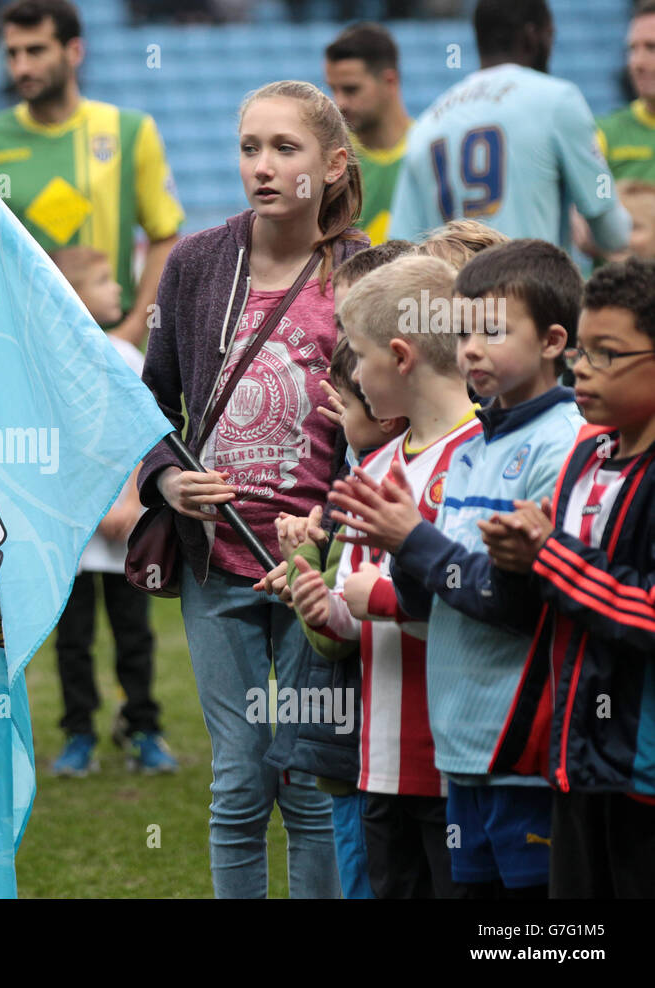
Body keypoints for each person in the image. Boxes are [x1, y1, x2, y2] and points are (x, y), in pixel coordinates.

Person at [138, 79, 368, 899]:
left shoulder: (366, 274)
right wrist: (167, 478)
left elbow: (388, 426)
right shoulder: (196, 264)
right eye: (248, 149)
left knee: (307, 779)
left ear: (333, 165)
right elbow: (153, 402)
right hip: (219, 563)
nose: (262, 167)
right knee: (239, 781)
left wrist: (329, 520)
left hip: (316, 569)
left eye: (285, 149)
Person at [331, 240, 587, 898]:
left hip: (524, 750)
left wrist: (412, 542)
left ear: (555, 341)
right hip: (464, 753)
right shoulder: (480, 448)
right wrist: (398, 543)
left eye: (491, 332)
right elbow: (431, 599)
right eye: (463, 331)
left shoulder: (561, 447)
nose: (470, 348)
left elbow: (517, 606)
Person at [296, 256, 482, 897]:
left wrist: (370, 595)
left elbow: (485, 599)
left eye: (358, 356)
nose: (348, 374)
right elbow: (351, 609)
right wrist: (325, 608)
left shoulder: (482, 459)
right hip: (379, 765)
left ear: (401, 357)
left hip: (457, 764)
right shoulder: (370, 471)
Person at [480, 257, 655, 897]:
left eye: (609, 354)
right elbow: (564, 583)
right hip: (573, 762)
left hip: (643, 777)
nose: (583, 367)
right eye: (584, 349)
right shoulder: (588, 451)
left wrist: (548, 555)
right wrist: (517, 552)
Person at [261, 248, 412, 901]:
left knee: (370, 871)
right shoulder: (362, 470)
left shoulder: (384, 481)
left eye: (356, 334)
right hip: (367, 747)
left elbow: (332, 633)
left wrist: (304, 571)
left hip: (370, 748)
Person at [0, 0, 183, 346]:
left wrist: (132, 332)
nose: (21, 67)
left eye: (35, 51)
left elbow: (165, 237)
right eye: (12, 54)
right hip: (23, 347)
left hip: (110, 339)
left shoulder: (131, 132)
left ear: (74, 51)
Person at [46, 245, 175, 777]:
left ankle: (143, 727)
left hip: (126, 532)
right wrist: (86, 510)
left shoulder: (125, 359)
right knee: (73, 640)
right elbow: (49, 449)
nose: (118, 287)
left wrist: (126, 502)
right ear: (73, 296)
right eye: (103, 279)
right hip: (72, 535)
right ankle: (79, 734)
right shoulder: (46, 364)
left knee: (133, 634)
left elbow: (145, 438)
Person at [388, 0, 631, 253]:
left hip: (453, 290)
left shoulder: (426, 124)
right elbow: (614, 234)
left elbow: (403, 248)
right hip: (530, 287)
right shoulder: (558, 99)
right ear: (532, 36)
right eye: (550, 36)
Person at [324, 22, 412, 246]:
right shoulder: (332, 162)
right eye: (333, 89)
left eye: (351, 89)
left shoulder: (430, 150)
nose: (339, 102)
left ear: (389, 82)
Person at [597, 1, 655, 184]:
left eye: (652, 47)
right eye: (632, 49)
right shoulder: (604, 134)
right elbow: (589, 206)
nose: (637, 63)